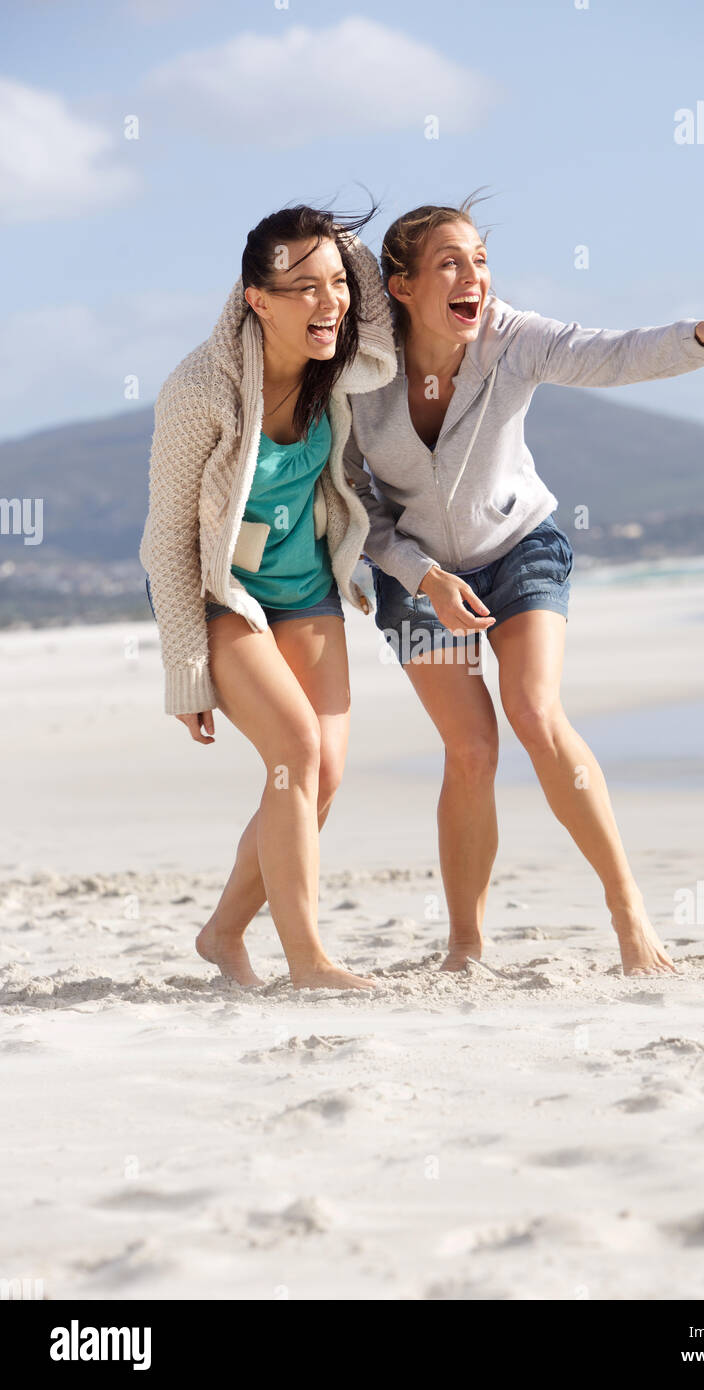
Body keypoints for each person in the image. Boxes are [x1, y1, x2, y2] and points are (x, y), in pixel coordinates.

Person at [343, 196, 704, 976]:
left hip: (518, 546)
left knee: (534, 714)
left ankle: (628, 915)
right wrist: (424, 575)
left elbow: (610, 352)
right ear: (402, 286)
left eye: (478, 259)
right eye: (449, 262)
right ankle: (466, 947)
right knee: (471, 751)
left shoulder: (508, 338)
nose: (472, 274)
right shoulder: (361, 375)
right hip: (413, 572)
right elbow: (357, 511)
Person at [140, 204, 395, 990]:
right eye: (303, 288)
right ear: (255, 297)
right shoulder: (201, 389)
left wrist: (331, 243)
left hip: (306, 588)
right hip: (227, 598)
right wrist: (187, 669)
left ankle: (222, 934)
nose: (330, 303)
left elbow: (376, 312)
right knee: (296, 753)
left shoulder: (339, 357)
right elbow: (167, 540)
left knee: (321, 776)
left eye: (337, 285)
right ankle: (309, 961)